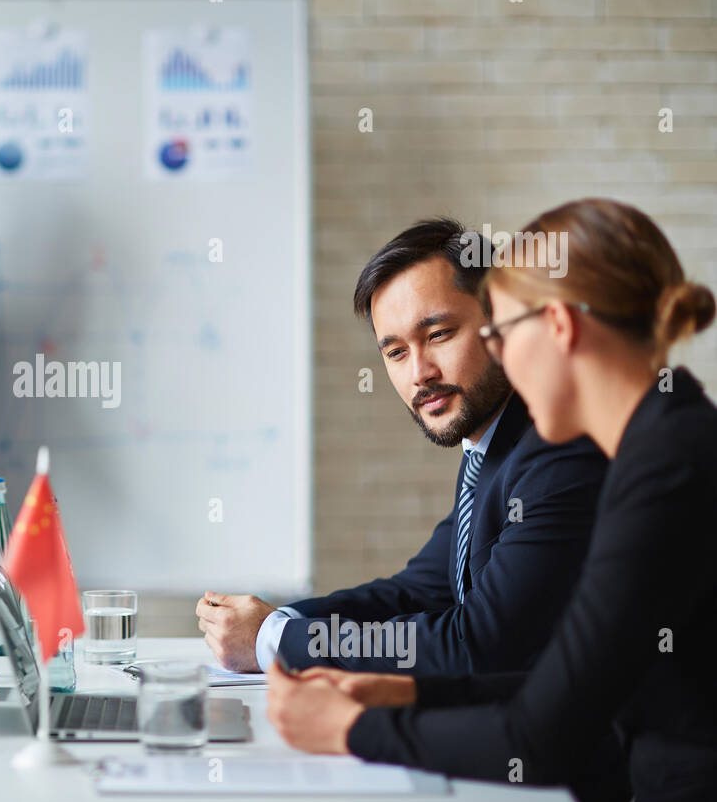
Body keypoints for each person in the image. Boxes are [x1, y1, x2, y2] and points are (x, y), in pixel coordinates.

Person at [267, 198, 717, 802]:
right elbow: (567, 683)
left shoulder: (665, 466)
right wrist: (405, 694)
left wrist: (348, 728)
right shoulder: (661, 444)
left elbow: (538, 737)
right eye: (395, 351)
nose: (499, 355)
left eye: (500, 331)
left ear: (558, 327)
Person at [198, 219, 607, 677]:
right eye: (395, 353)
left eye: (437, 335)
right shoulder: (493, 447)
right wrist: (278, 622)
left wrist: (274, 641)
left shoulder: (560, 450)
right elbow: (416, 592)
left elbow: (480, 644)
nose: (420, 372)